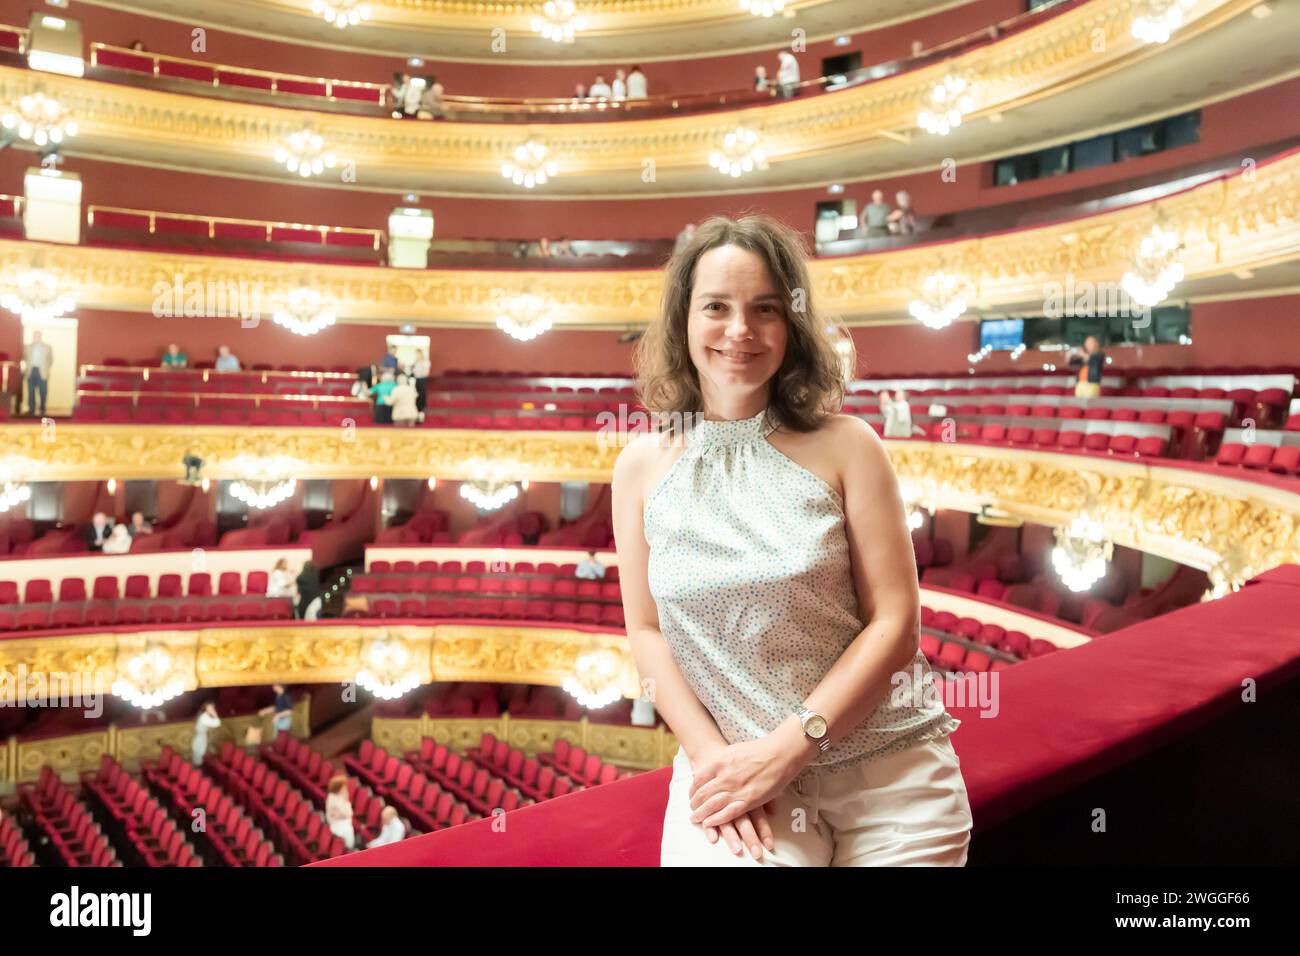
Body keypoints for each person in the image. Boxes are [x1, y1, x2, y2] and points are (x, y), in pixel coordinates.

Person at [613, 214, 970, 867]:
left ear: (792, 324)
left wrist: (792, 746)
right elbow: (644, 631)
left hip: (890, 773)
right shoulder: (640, 467)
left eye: (766, 309)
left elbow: (896, 622)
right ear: (682, 322)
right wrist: (710, 757)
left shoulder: (849, 446)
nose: (740, 330)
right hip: (737, 774)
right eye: (716, 307)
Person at [22, 330, 52, 418]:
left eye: (38, 336)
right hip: (31, 371)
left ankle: (42, 410)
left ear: (41, 337)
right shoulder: (27, 347)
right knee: (31, 392)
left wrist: (45, 368)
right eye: (35, 336)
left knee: (43, 392)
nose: (36, 337)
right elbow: (24, 358)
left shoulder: (47, 347)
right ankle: (32, 410)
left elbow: (50, 360)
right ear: (33, 337)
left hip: (42, 372)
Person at [325, 775, 356, 851]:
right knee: (347, 846)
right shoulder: (334, 798)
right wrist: (346, 799)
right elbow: (348, 813)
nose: (345, 788)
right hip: (339, 827)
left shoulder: (336, 797)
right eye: (343, 787)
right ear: (339, 787)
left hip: (340, 825)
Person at [191, 702, 221, 767]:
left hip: (200, 737)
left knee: (199, 755)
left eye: (213, 708)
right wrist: (215, 714)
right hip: (200, 738)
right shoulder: (204, 717)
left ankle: (198, 770)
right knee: (200, 755)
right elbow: (217, 723)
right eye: (210, 708)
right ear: (206, 708)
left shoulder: (204, 715)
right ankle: (198, 772)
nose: (212, 709)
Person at [410, 349, 431, 414]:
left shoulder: (426, 362)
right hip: (417, 379)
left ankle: (423, 407)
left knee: (422, 393)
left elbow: (425, 372)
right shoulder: (415, 362)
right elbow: (413, 371)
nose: (417, 356)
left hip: (423, 379)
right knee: (417, 393)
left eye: (418, 354)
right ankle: (417, 407)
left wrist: (419, 371)